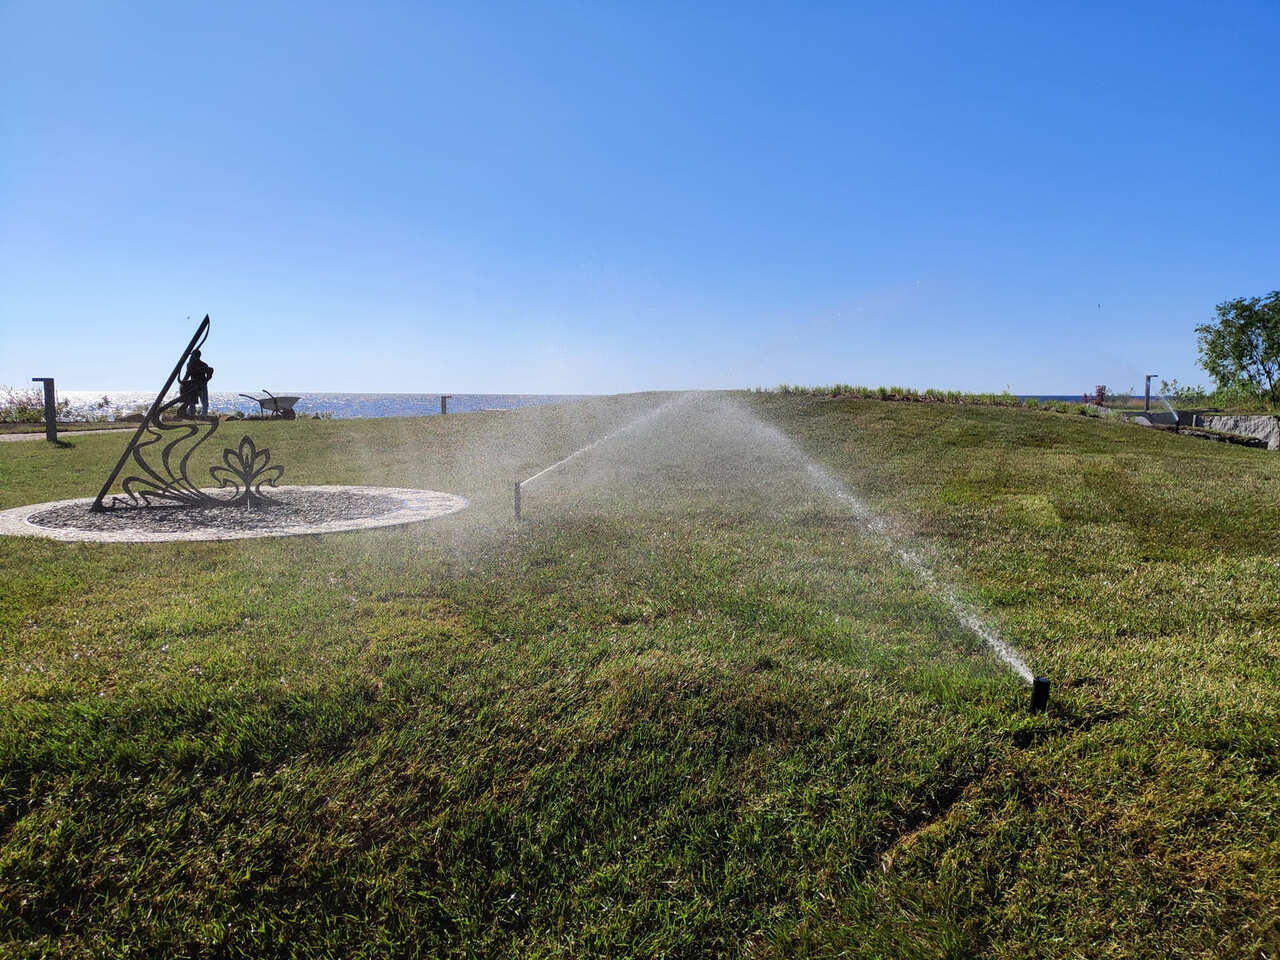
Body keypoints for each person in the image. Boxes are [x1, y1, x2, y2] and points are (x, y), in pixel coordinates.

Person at [179, 349, 214, 417]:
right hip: (193, 385)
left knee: (203, 402)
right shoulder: (190, 365)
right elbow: (187, 375)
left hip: (201, 385)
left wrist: (205, 381)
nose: (192, 357)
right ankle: (193, 414)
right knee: (192, 401)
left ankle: (203, 415)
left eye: (193, 355)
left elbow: (209, 373)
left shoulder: (202, 365)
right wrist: (182, 383)